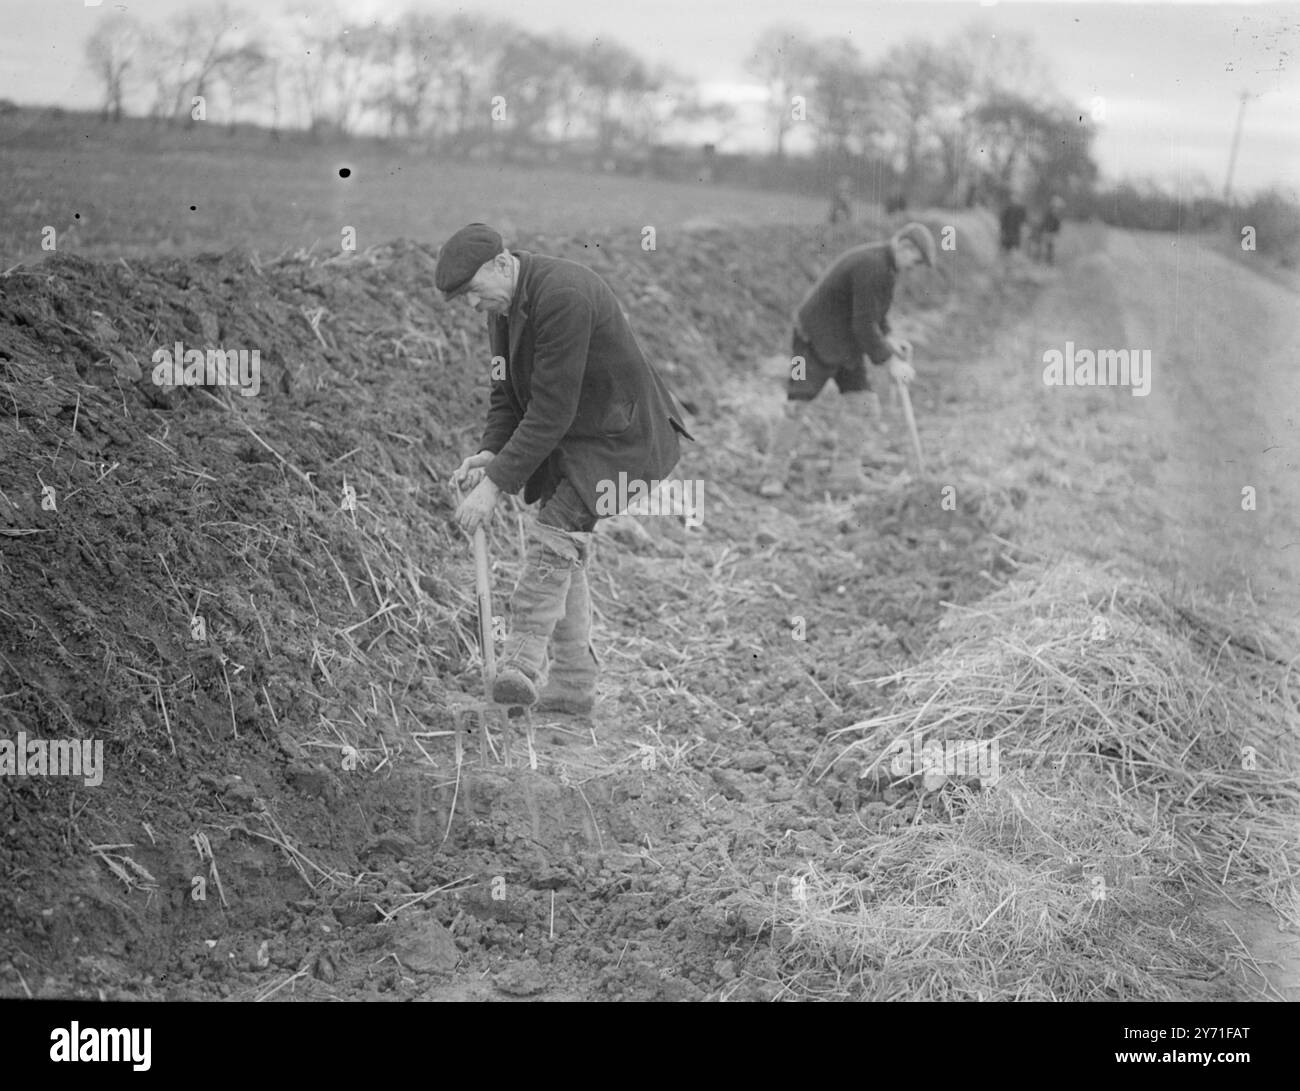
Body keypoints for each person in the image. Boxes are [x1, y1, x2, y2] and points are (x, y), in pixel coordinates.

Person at [440, 223, 692, 713]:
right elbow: (505, 395)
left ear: (502, 264)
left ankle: (520, 664)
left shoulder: (564, 295)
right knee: (564, 549)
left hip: (622, 440)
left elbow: (551, 410)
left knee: (554, 536)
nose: (472, 305)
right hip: (582, 441)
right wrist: (493, 452)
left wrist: (494, 487)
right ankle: (574, 686)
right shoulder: (505, 308)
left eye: (473, 291)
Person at [758, 222, 936, 497]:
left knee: (863, 404)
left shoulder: (886, 269)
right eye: (916, 259)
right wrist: (891, 363)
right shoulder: (873, 265)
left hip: (845, 343)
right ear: (904, 246)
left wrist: (889, 339)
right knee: (797, 403)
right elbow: (864, 325)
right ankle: (772, 475)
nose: (915, 267)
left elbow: (874, 315)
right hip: (810, 339)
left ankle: (846, 475)